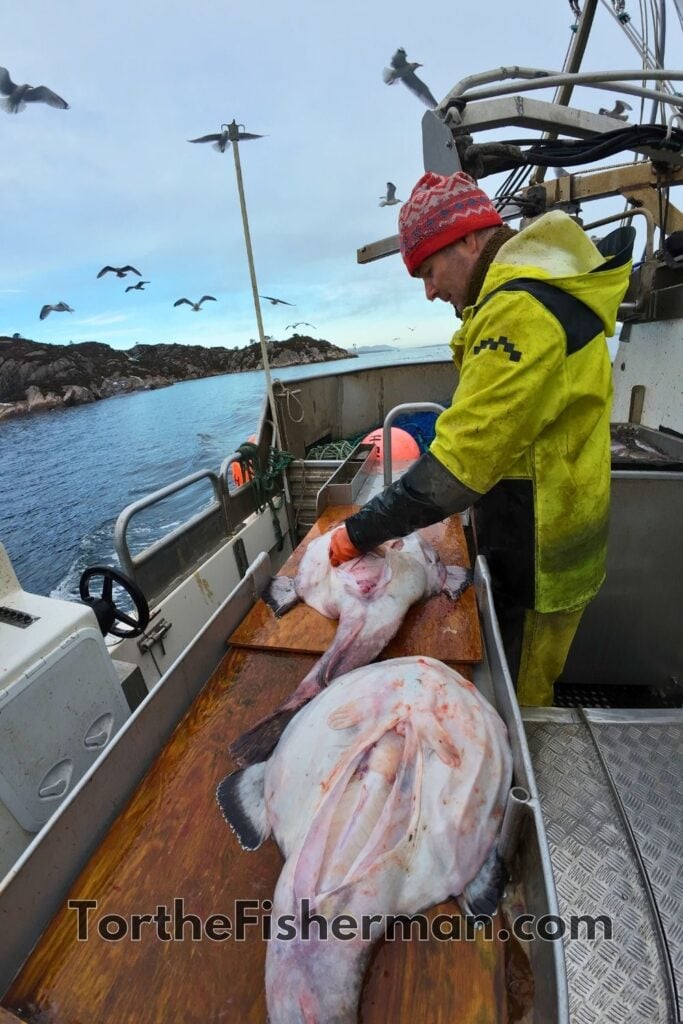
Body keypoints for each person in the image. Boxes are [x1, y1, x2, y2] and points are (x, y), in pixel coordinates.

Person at [329, 170, 634, 705]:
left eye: (429, 269)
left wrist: (359, 532)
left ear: (469, 237)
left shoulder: (520, 310)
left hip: (540, 556)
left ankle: (521, 784)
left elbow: (458, 467)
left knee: (518, 706)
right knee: (513, 683)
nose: (428, 292)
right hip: (540, 529)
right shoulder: (529, 293)